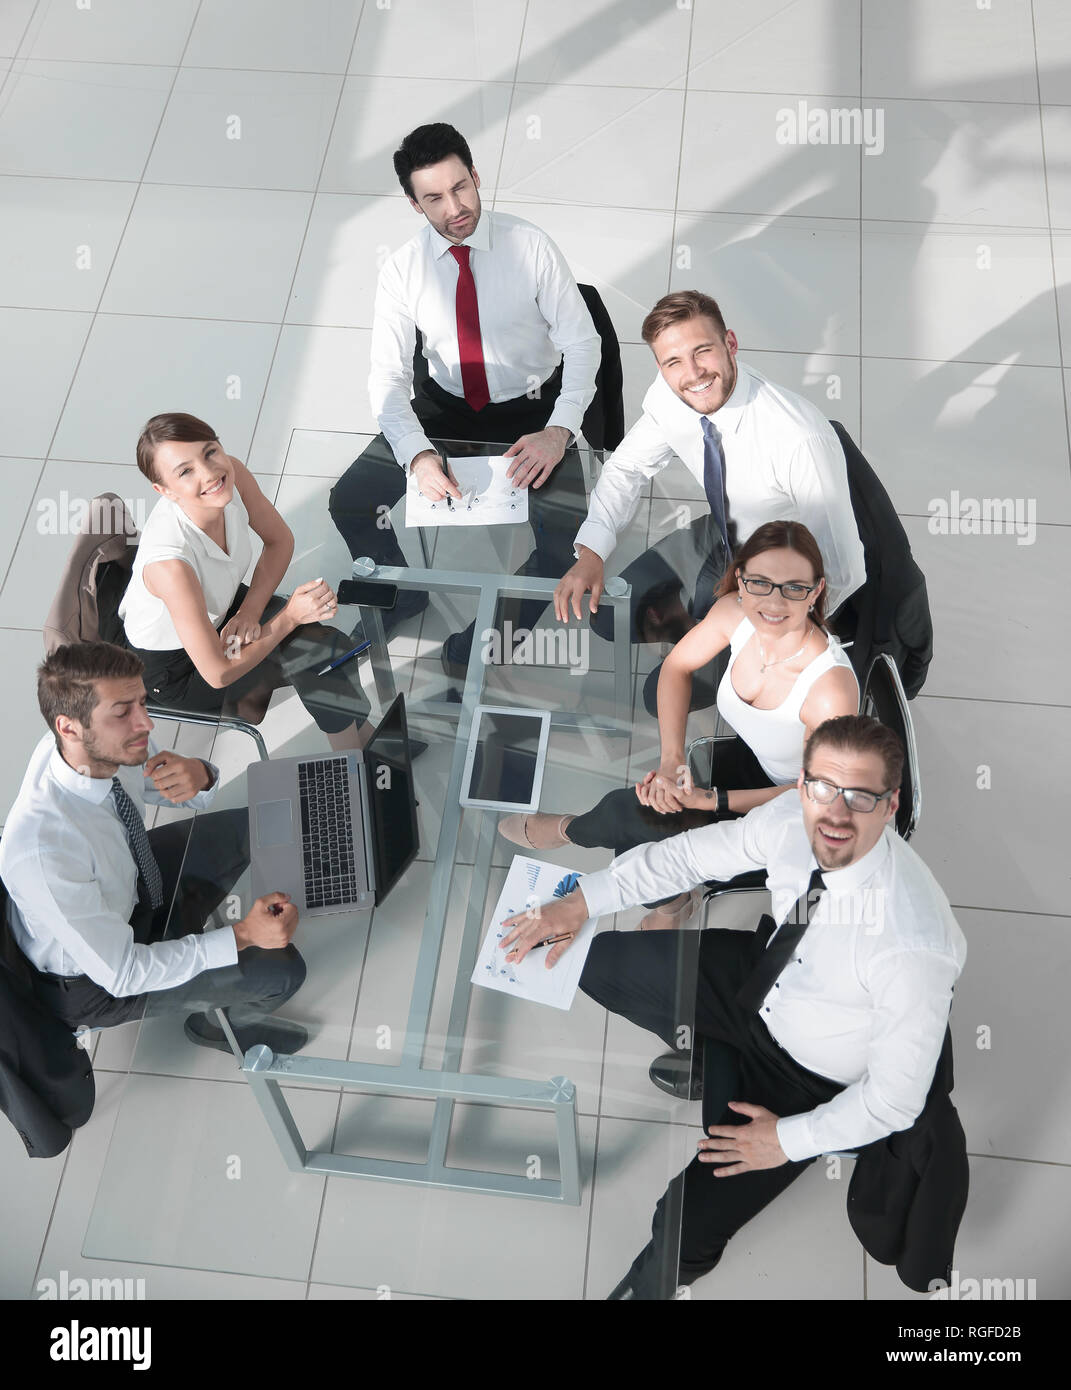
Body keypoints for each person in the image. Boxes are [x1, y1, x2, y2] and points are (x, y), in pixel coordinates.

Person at [499, 716, 966, 1299]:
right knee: (595, 961)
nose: (837, 814)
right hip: (758, 983)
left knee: (681, 1225)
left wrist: (785, 1142)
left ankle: (649, 1289)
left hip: (807, 1078)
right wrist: (583, 900)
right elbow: (686, 859)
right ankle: (710, 1051)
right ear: (801, 784)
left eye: (861, 796)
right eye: (822, 787)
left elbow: (894, 1101)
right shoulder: (791, 818)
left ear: (891, 803)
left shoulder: (913, 943)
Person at [327, 121, 602, 674]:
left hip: (532, 407)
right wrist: (417, 452)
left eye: (461, 187)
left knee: (568, 548)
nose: (455, 207)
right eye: (434, 197)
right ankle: (404, 595)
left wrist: (559, 430)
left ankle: (483, 643)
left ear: (476, 177)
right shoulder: (402, 270)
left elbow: (584, 343)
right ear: (414, 203)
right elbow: (385, 379)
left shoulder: (531, 246)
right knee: (352, 499)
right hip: (446, 403)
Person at [501, 521, 859, 931]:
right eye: (761, 583)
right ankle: (637, 875)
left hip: (791, 806)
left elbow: (811, 797)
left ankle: (580, 836)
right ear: (740, 581)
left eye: (793, 588)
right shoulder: (734, 613)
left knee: (635, 820)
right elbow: (676, 667)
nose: (774, 603)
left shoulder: (830, 690)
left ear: (815, 591)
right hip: (754, 761)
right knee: (650, 806)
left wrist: (711, 800)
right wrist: (671, 761)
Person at [553, 290, 867, 713]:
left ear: (730, 344)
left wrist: (775, 632)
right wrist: (591, 551)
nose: (693, 373)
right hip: (721, 540)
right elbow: (626, 468)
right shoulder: (673, 394)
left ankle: (707, 633)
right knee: (608, 616)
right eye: (673, 362)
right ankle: (697, 626)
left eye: (703, 351)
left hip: (775, 579)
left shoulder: (797, 438)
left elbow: (843, 570)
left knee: (656, 697)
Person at [0, 643, 308, 1056]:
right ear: (68, 727)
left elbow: (171, 786)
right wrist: (242, 935)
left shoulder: (95, 746)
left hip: (134, 883)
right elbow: (123, 973)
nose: (145, 723)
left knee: (262, 827)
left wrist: (201, 773)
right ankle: (217, 1025)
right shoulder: (43, 852)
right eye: (123, 711)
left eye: (142, 702)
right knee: (284, 971)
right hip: (98, 981)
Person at [120, 412, 371, 750]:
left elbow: (280, 541)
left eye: (210, 452)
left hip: (222, 610)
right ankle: (354, 755)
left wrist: (250, 612)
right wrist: (289, 618)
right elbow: (217, 672)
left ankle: (358, 743)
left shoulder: (231, 475)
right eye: (185, 471)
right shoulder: (170, 565)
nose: (210, 473)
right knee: (317, 655)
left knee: (328, 649)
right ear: (164, 490)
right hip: (181, 670)